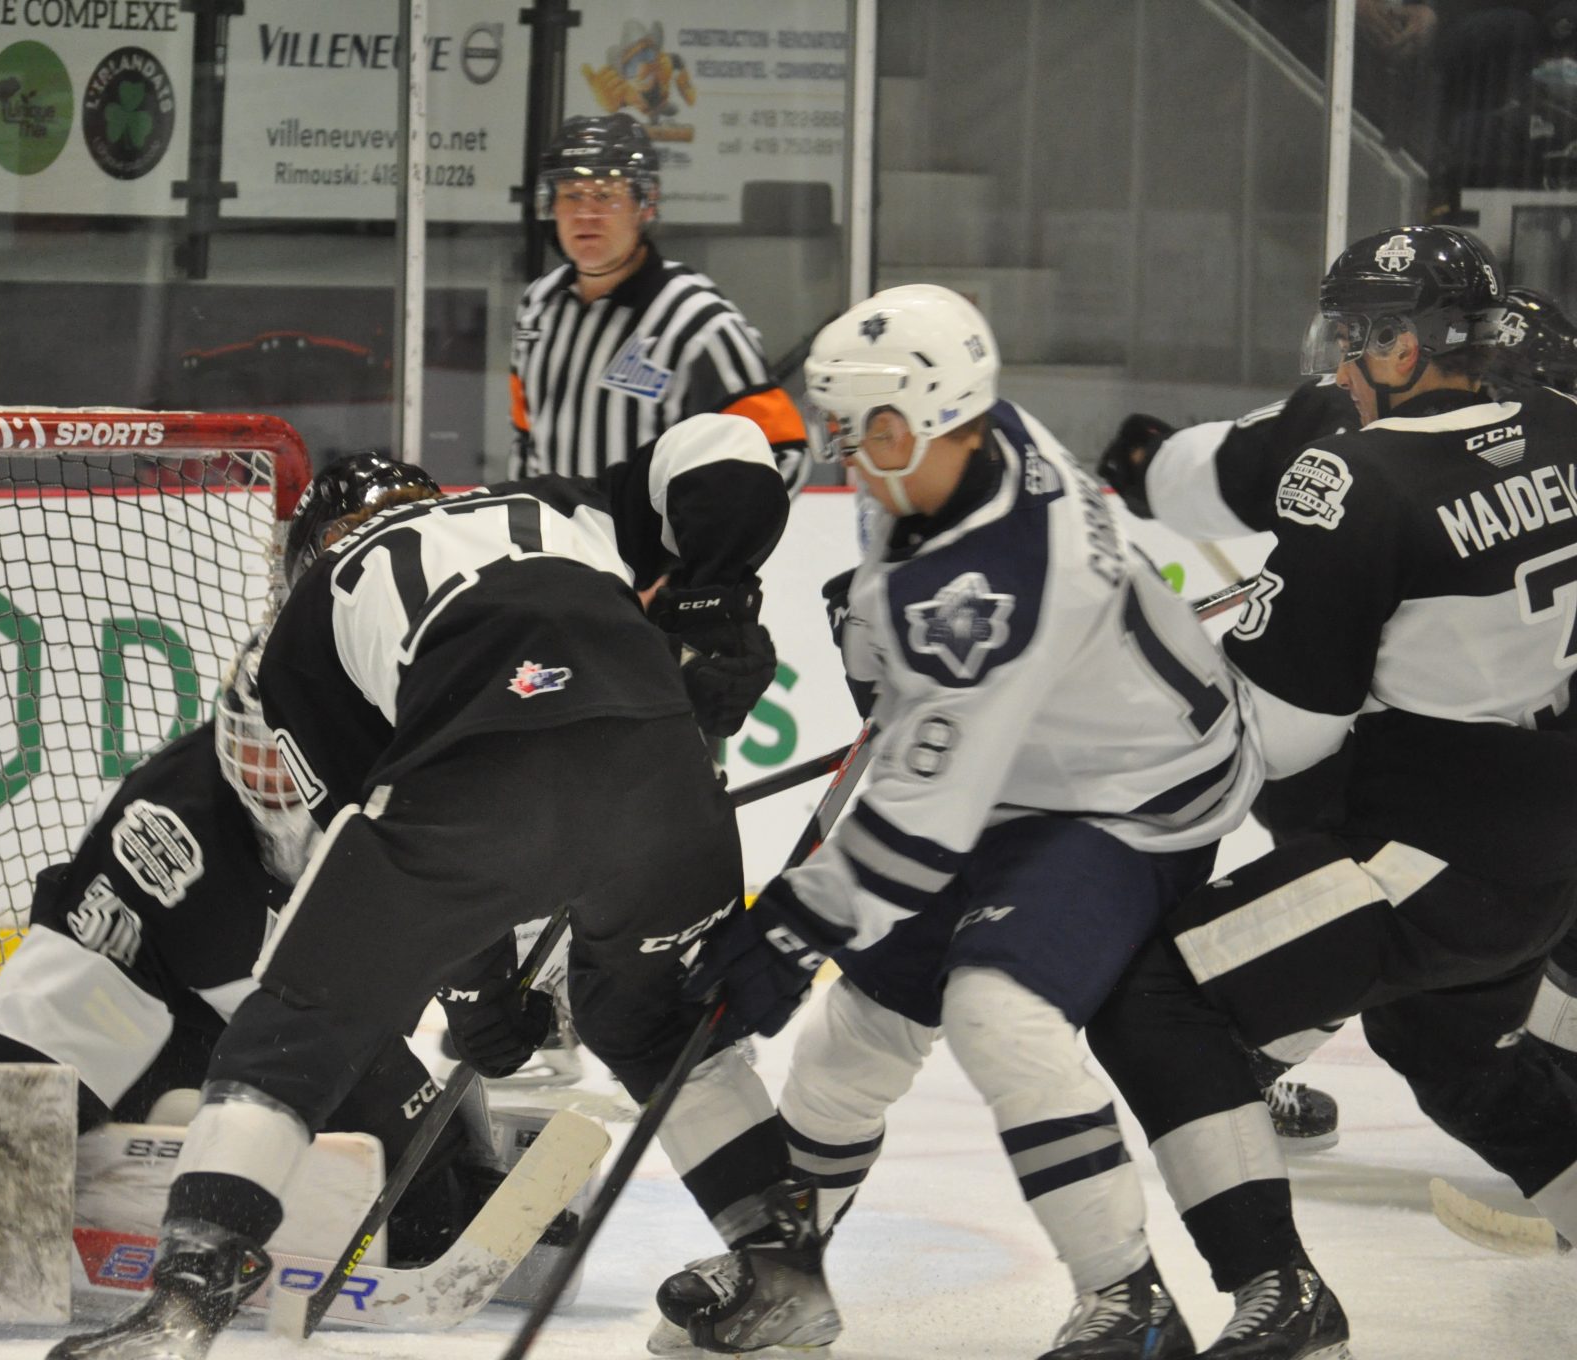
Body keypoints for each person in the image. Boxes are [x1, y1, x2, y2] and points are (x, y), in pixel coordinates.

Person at [48, 414, 800, 1360]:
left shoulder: (309, 616)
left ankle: (189, 1298)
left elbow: (395, 844)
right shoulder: (547, 508)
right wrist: (717, 603)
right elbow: (724, 444)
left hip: (482, 784)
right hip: (666, 782)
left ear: (307, 551)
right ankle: (784, 1265)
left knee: (296, 1024)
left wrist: (477, 992)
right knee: (654, 1023)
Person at [661, 285, 1263, 1359]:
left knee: (998, 1011)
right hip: (1028, 767)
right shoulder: (973, 443)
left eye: (866, 431)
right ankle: (787, 1266)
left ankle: (1131, 1303)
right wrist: (879, 641)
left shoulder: (994, 577)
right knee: (852, 1041)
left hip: (1133, 794)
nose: (849, 454)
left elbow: (919, 823)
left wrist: (791, 927)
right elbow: (929, 720)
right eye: (844, 427)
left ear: (926, 419)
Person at [1085, 225, 1577, 1359]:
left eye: (1359, 334)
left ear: (1410, 344)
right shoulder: (1560, 423)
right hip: (1545, 848)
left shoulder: (1356, 475)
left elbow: (1288, 735)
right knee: (1446, 1052)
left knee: (1154, 996)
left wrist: (1135, 686)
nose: (1343, 358)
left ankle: (1279, 1290)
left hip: (1428, 861)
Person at [0, 637, 490, 1266]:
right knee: (16, 1116)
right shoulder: (168, 818)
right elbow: (69, 983)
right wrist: (6, 1131)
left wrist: (483, 994)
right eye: (249, 747)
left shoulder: (401, 790)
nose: (264, 778)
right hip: (182, 1013)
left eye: (284, 757)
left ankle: (436, 1178)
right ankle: (164, 1124)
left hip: (291, 1010)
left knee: (424, 1202)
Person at [508, 113, 809, 489]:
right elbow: (526, 437)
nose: (586, 214)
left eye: (605, 196)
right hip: (550, 529)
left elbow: (783, 453)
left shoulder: (698, 321)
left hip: (647, 531)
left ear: (646, 204)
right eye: (572, 196)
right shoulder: (538, 306)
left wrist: (693, 524)